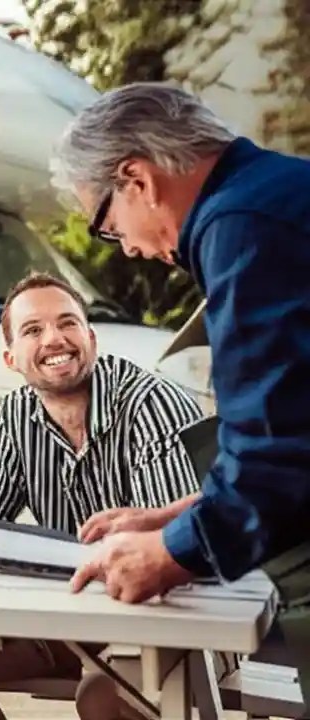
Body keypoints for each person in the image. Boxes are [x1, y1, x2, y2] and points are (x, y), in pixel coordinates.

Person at [53, 80, 310, 697]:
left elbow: (275, 453)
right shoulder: (276, 190)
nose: (132, 251)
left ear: (136, 178)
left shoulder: (240, 226)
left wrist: (169, 554)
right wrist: (183, 514)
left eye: (107, 226)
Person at [0, 271, 204, 720]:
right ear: (11, 359)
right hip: (69, 617)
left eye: (67, 323)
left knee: (102, 694)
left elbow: (178, 544)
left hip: (170, 618)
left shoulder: (150, 403)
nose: (54, 339)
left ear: (91, 337)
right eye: (33, 330)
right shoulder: (17, 411)